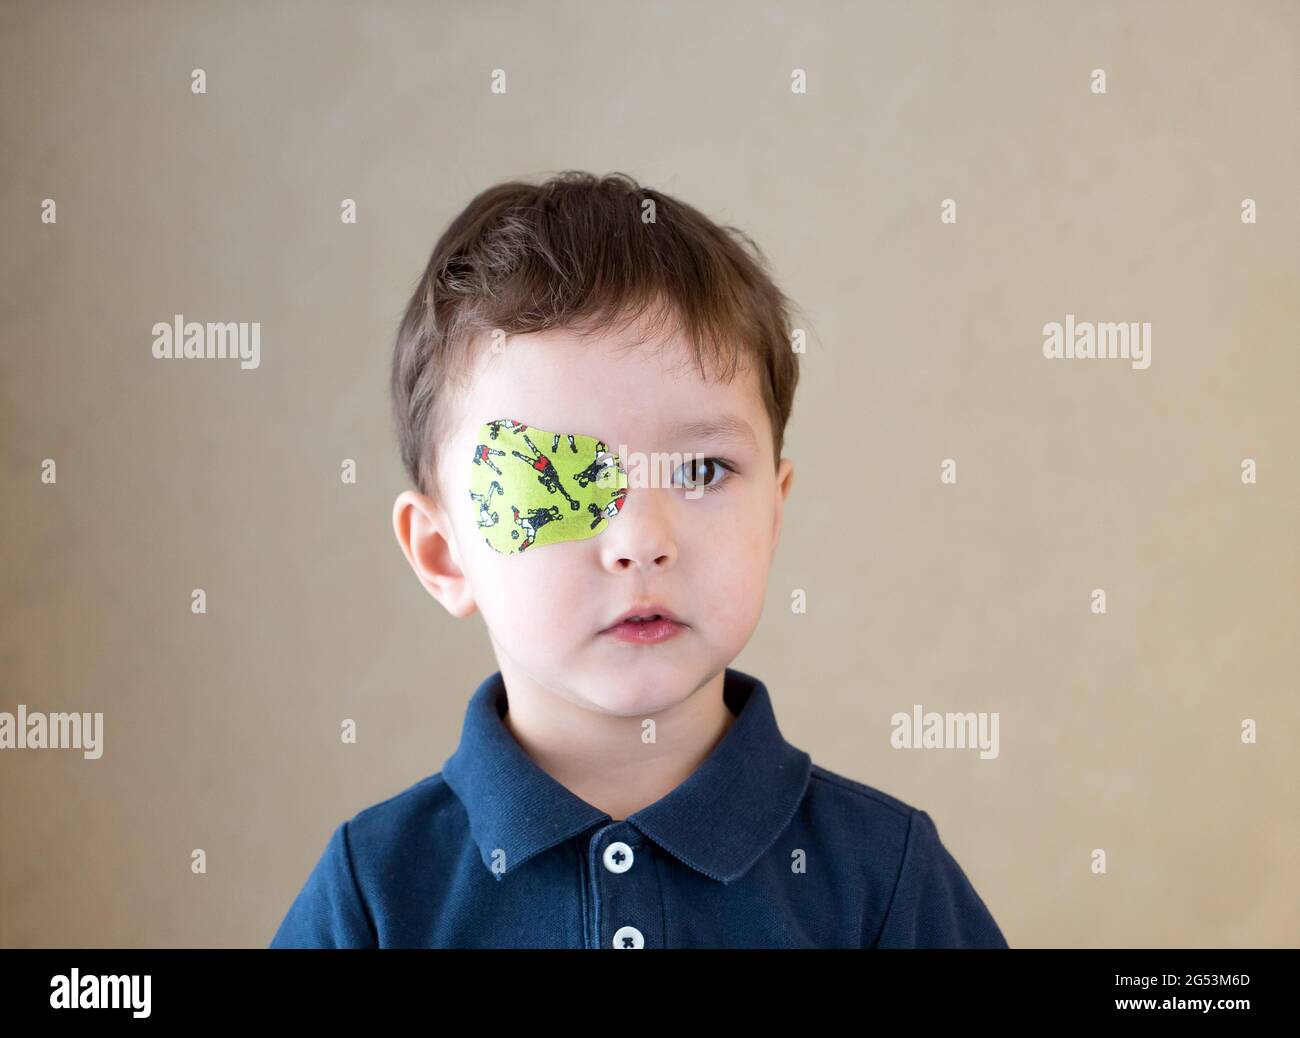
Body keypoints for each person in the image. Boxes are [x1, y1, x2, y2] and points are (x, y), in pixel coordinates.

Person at [269, 171, 1007, 948]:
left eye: (701, 471)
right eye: (554, 479)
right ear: (443, 554)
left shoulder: (882, 879)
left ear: (773, 512)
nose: (641, 539)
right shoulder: (376, 894)